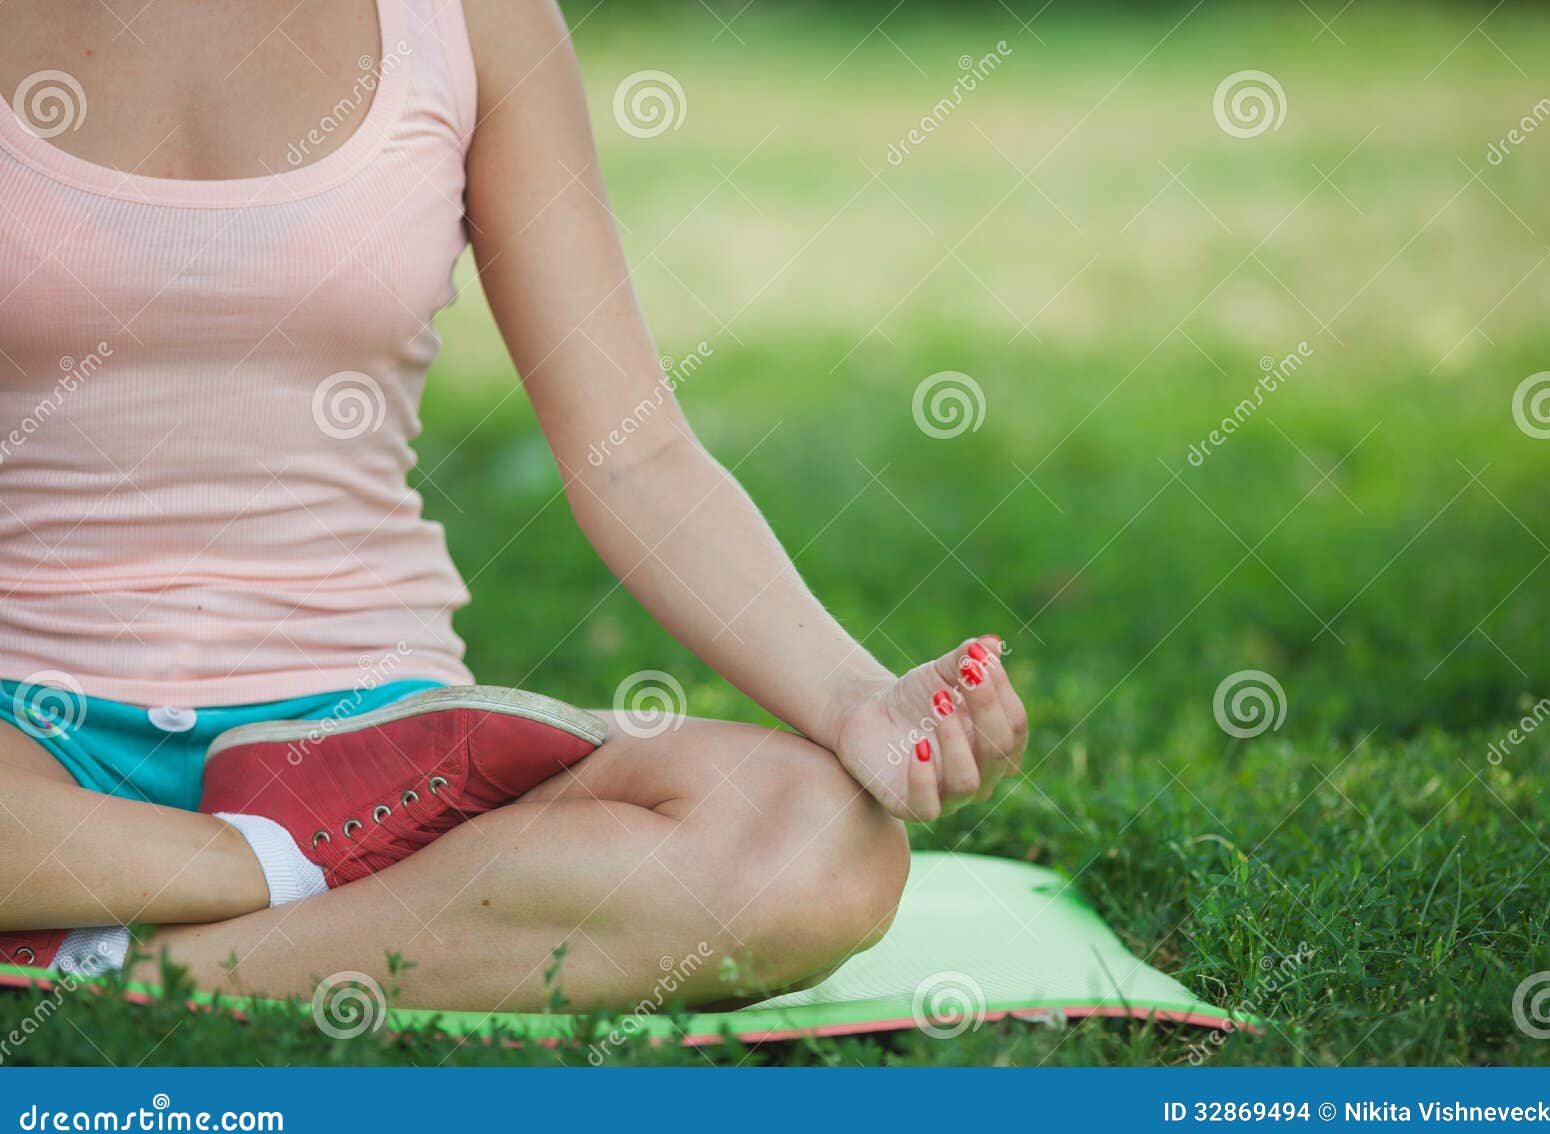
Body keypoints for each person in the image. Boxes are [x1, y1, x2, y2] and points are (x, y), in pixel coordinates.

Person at [0, 0, 1027, 1011]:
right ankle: (273, 866)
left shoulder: (469, 19)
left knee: (815, 843)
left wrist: (855, 697)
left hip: (367, 745)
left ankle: (108, 955)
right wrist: (263, 857)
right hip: (27, 732)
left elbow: (634, 455)